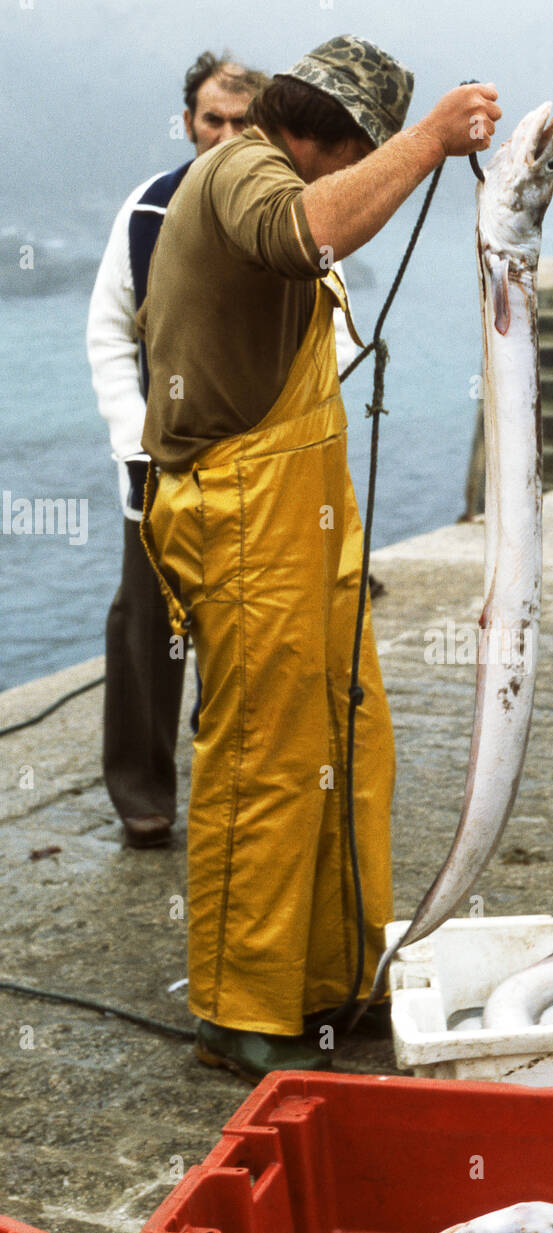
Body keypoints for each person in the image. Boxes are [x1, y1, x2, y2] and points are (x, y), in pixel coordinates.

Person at [137, 35, 501, 1080]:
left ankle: (331, 979)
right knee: (263, 755)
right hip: (244, 512)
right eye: (361, 154)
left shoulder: (271, 167)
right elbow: (307, 236)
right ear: (333, 136)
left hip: (303, 519)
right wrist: (431, 139)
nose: (355, 174)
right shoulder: (247, 168)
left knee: (344, 743)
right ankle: (238, 1007)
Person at [87, 52, 270, 848]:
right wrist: (134, 451)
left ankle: (237, 791)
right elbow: (106, 338)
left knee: (248, 633)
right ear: (189, 121)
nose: (225, 135)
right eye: (211, 120)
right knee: (144, 632)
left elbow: (322, 338)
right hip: (158, 470)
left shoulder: (279, 210)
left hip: (256, 469)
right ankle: (142, 799)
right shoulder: (147, 212)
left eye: (241, 122)